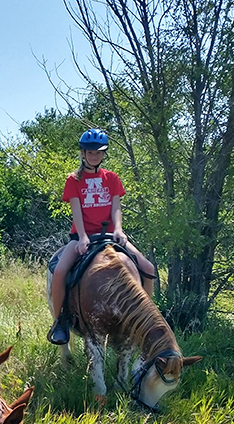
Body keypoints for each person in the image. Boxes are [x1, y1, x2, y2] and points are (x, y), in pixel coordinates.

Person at [47, 128, 156, 345]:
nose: (94, 156)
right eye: (90, 152)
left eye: (98, 152)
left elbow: (116, 207)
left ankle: (145, 319)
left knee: (148, 268)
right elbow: (76, 210)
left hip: (109, 235)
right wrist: (83, 236)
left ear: (103, 154)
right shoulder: (73, 180)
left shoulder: (112, 178)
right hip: (82, 236)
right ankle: (60, 321)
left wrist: (118, 229)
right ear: (83, 153)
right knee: (59, 272)